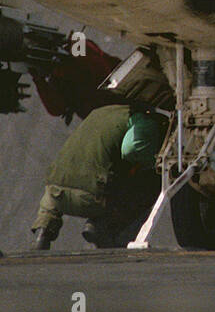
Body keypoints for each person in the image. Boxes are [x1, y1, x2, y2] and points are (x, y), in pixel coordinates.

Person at [30, 104, 167, 250]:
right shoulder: (144, 120)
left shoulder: (98, 114)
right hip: (93, 197)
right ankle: (102, 226)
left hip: (55, 195)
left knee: (62, 181)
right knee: (156, 180)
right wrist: (151, 163)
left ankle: (43, 233)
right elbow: (131, 150)